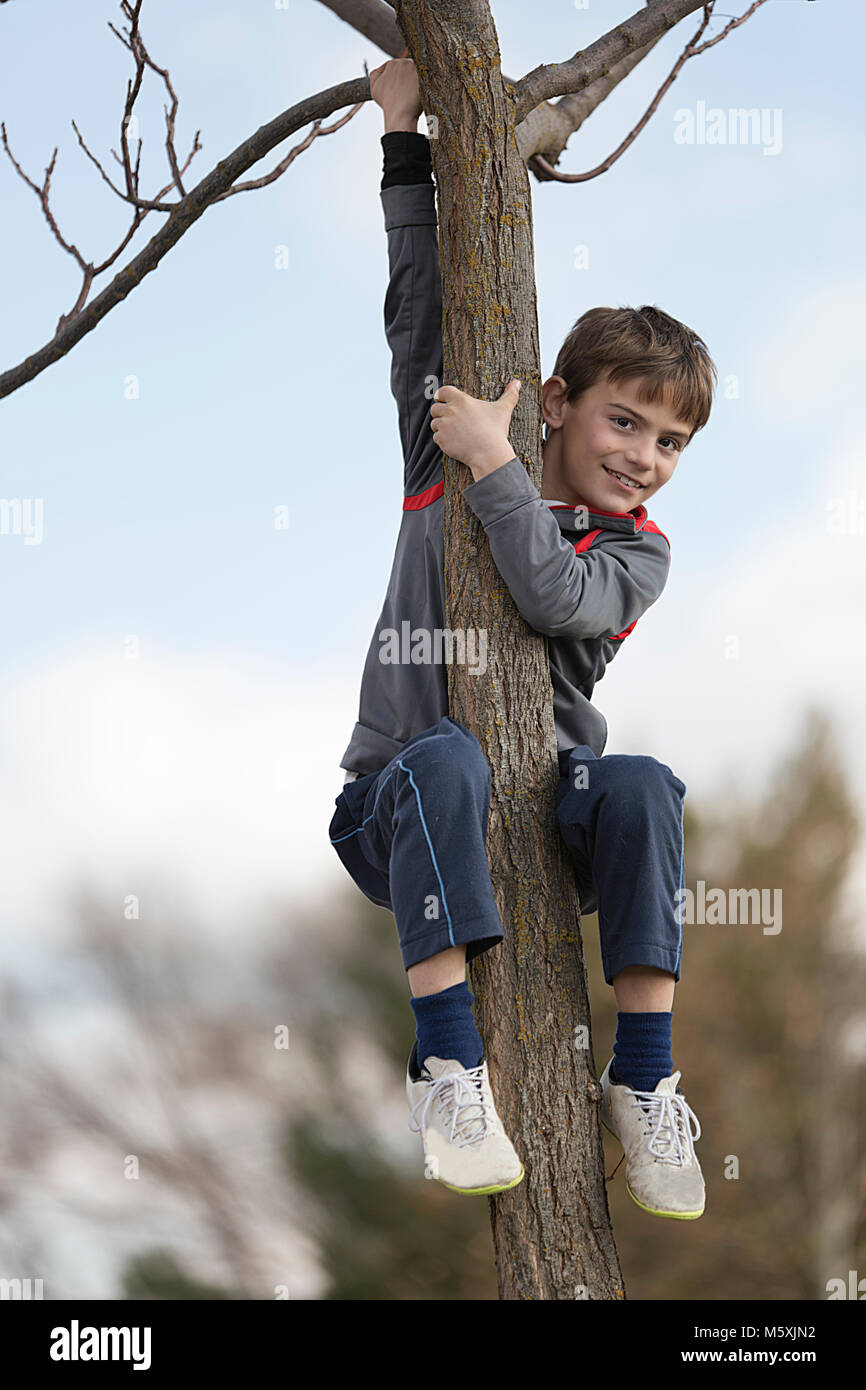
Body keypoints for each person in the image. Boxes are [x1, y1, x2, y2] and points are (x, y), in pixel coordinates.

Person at [328, 57, 716, 1217]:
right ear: (555, 401)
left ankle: (641, 1080)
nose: (642, 455)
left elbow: (550, 595)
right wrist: (402, 137)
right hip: (394, 809)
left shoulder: (634, 553)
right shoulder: (442, 465)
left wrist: (498, 465)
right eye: (622, 418)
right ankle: (449, 1061)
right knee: (443, 753)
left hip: (546, 823)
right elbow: (417, 311)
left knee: (643, 781)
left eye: (668, 441)